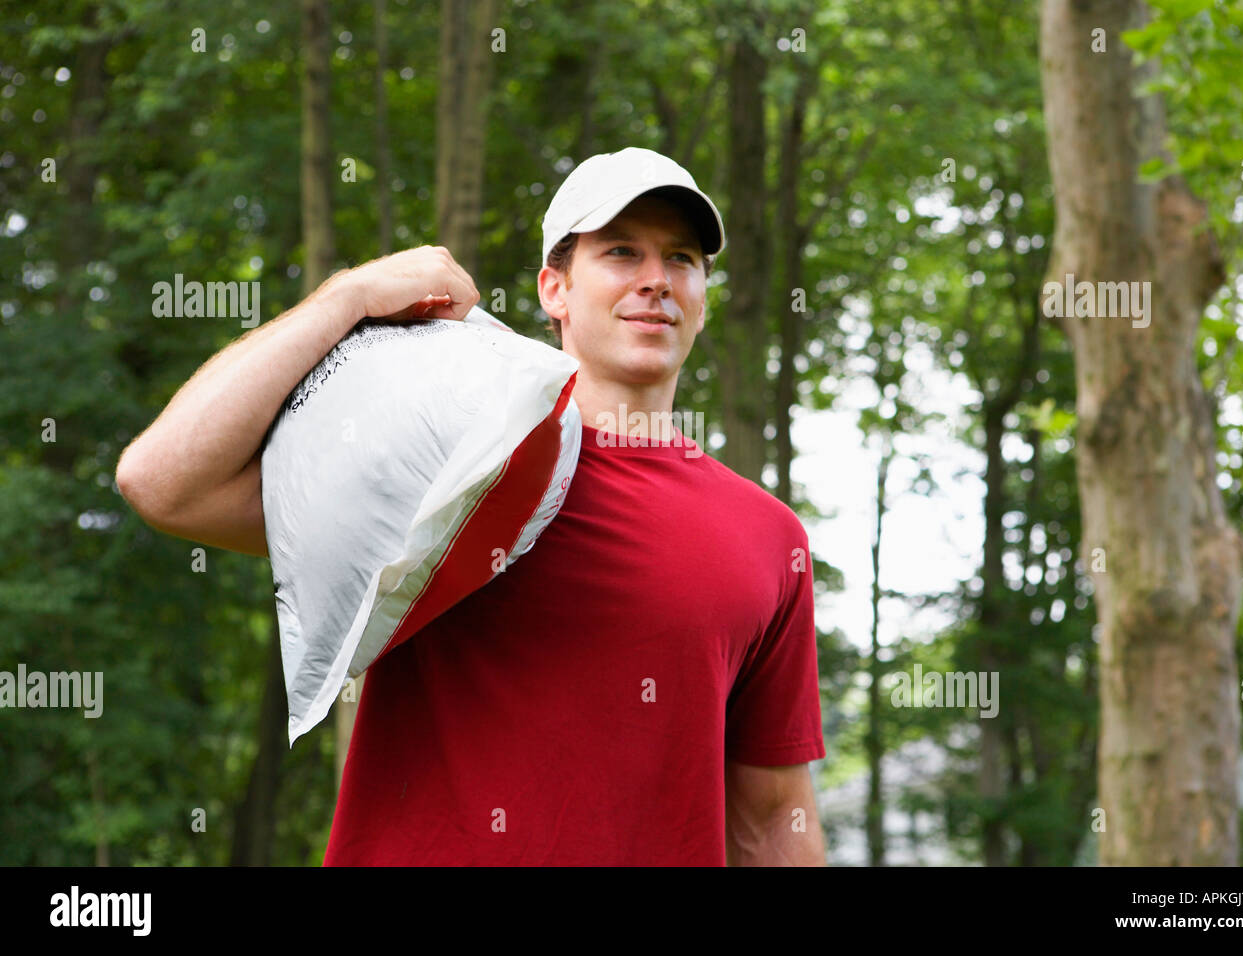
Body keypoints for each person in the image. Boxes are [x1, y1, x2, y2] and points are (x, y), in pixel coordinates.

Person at [116, 146, 827, 865]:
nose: (655, 281)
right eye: (621, 252)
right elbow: (162, 482)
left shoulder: (769, 539)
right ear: (555, 289)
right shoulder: (451, 459)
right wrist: (346, 297)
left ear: (704, 295)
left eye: (681, 259)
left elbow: (772, 820)